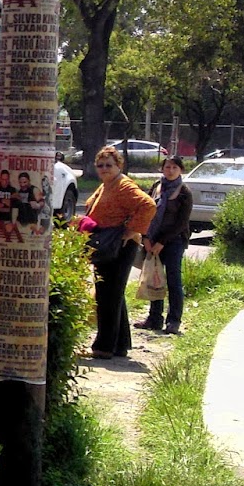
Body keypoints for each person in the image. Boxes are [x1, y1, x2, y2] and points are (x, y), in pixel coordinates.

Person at [84, 146, 156, 359]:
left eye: (109, 165)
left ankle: (104, 346)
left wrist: (131, 230)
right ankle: (120, 343)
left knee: (109, 295)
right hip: (107, 243)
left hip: (119, 245)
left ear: (119, 165)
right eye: (100, 165)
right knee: (112, 293)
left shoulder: (123, 185)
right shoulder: (107, 184)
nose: (104, 169)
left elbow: (148, 205)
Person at [138, 155, 193, 334]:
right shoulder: (156, 187)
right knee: (155, 278)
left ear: (180, 170)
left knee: (173, 280)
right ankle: (154, 318)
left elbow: (181, 223)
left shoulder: (184, 192)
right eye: (167, 167)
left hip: (174, 241)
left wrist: (162, 242)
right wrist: (145, 237)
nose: (170, 171)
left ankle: (174, 320)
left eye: (174, 168)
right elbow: (145, 211)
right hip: (152, 240)